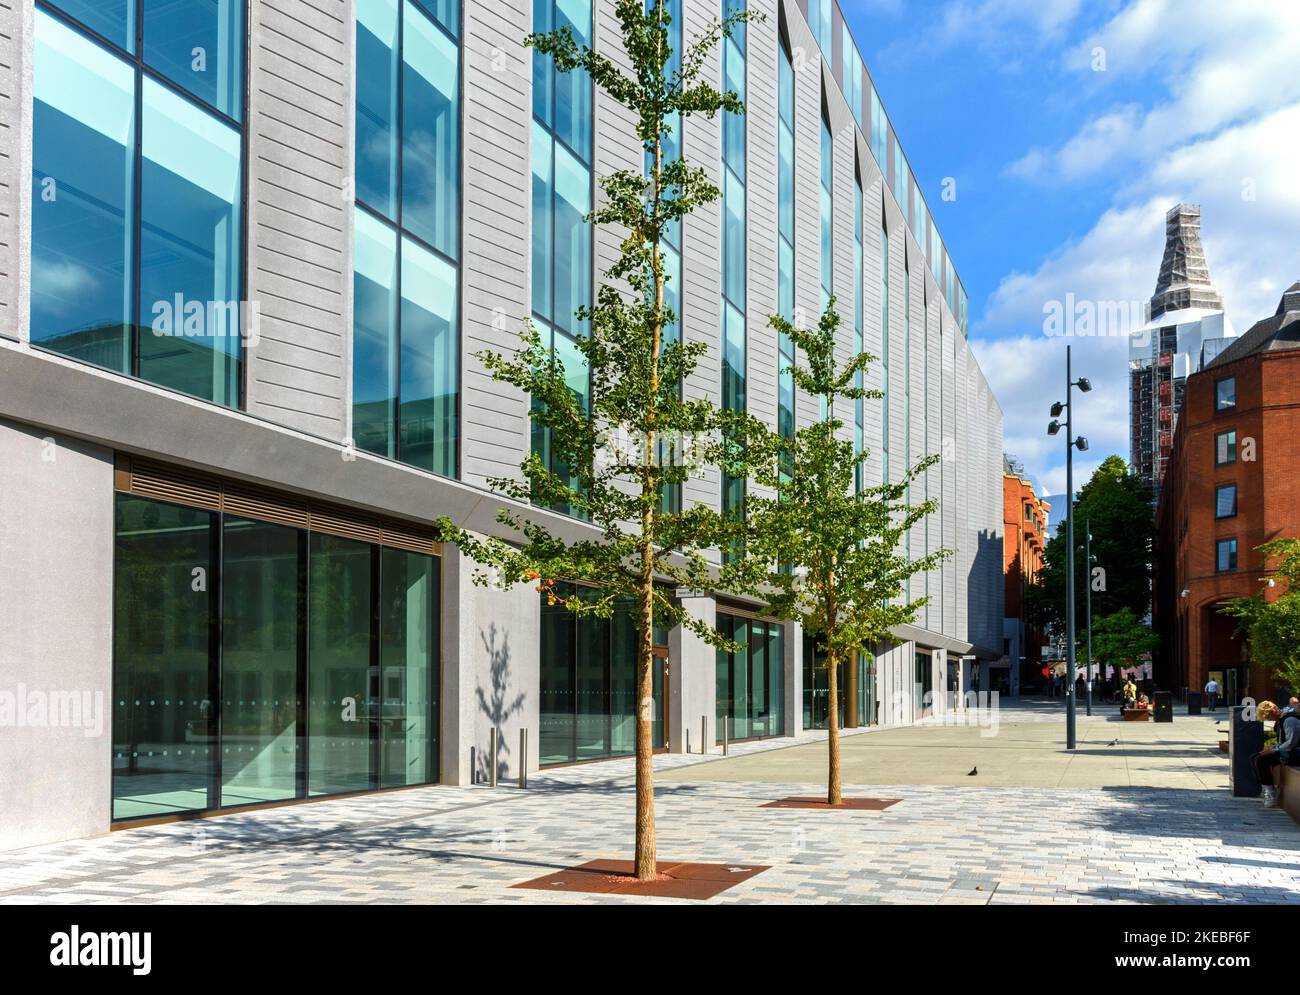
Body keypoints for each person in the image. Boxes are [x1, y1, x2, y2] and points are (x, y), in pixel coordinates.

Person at [1251, 701, 1300, 808]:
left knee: (1261, 760)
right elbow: (1283, 742)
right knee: (1254, 757)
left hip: (1296, 752)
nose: (1268, 719)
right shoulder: (1280, 719)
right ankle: (1266, 788)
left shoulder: (1289, 719)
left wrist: (1274, 750)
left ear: (1274, 710)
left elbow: (1292, 742)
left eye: (1268, 716)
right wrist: (1271, 748)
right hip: (1289, 751)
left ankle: (1271, 794)